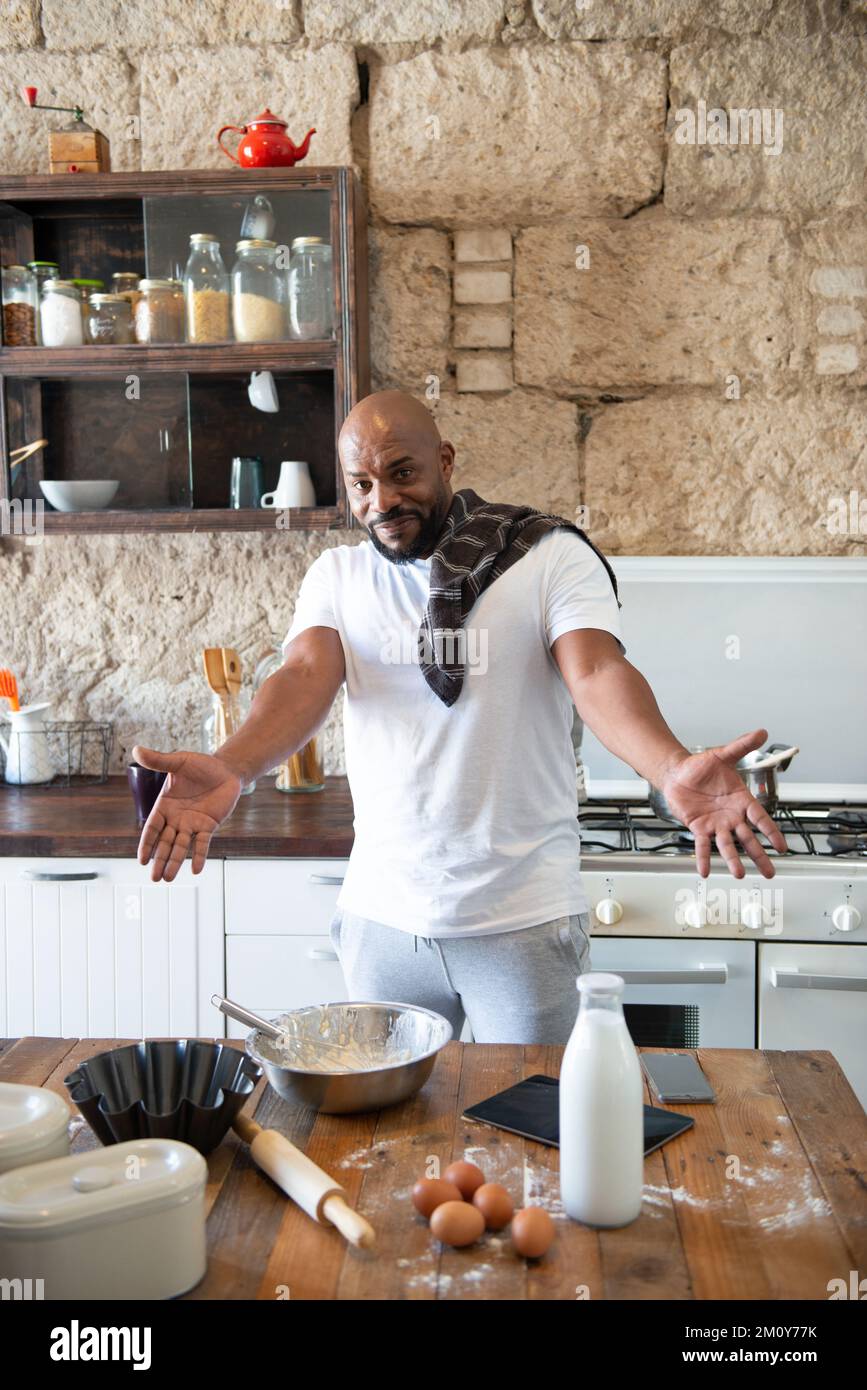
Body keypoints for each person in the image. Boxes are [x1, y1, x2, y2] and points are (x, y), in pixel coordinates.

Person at [134, 389, 786, 1043]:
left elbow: (594, 672)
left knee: (534, 1125)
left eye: (401, 474)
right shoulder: (338, 575)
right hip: (381, 919)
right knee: (387, 1132)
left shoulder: (547, 555)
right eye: (360, 484)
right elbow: (303, 676)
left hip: (521, 914)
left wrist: (668, 765)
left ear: (443, 460)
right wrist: (232, 766)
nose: (380, 502)